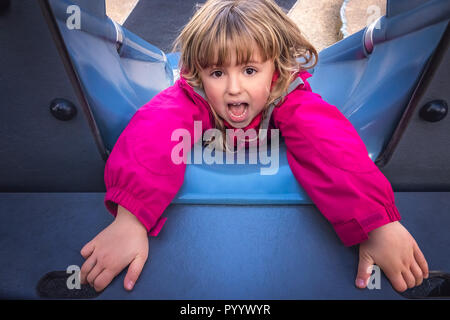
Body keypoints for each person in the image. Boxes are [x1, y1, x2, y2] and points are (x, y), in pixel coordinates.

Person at [80, 0, 429, 293]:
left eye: (249, 70)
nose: (233, 88)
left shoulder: (287, 95)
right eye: (217, 73)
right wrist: (131, 218)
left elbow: (330, 145)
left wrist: (377, 224)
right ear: (199, 74)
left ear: (274, 69)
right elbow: (152, 134)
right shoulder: (192, 95)